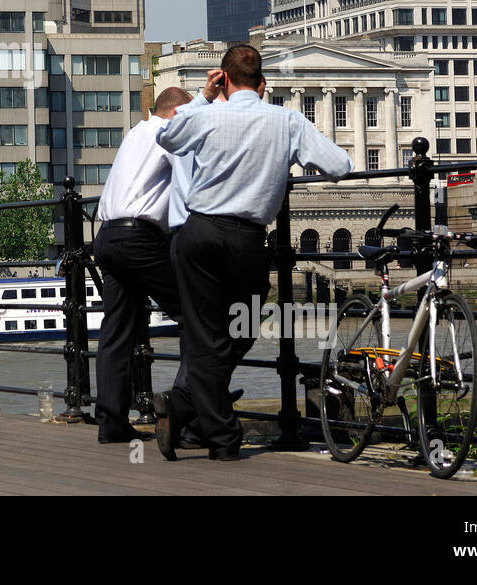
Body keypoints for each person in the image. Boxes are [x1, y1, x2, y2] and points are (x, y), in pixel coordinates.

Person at [155, 45, 351, 461]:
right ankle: (213, 429)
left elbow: (166, 137)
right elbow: (340, 165)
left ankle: (188, 408)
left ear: (222, 79)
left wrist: (203, 97)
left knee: (205, 334)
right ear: (263, 85)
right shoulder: (287, 120)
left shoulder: (207, 113)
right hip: (247, 238)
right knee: (246, 322)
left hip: (199, 231)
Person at [93, 86, 195, 443]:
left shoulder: (136, 132)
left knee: (116, 332)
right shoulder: (168, 135)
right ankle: (187, 409)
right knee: (196, 315)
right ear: (178, 115)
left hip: (107, 236)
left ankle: (111, 423)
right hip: (139, 238)